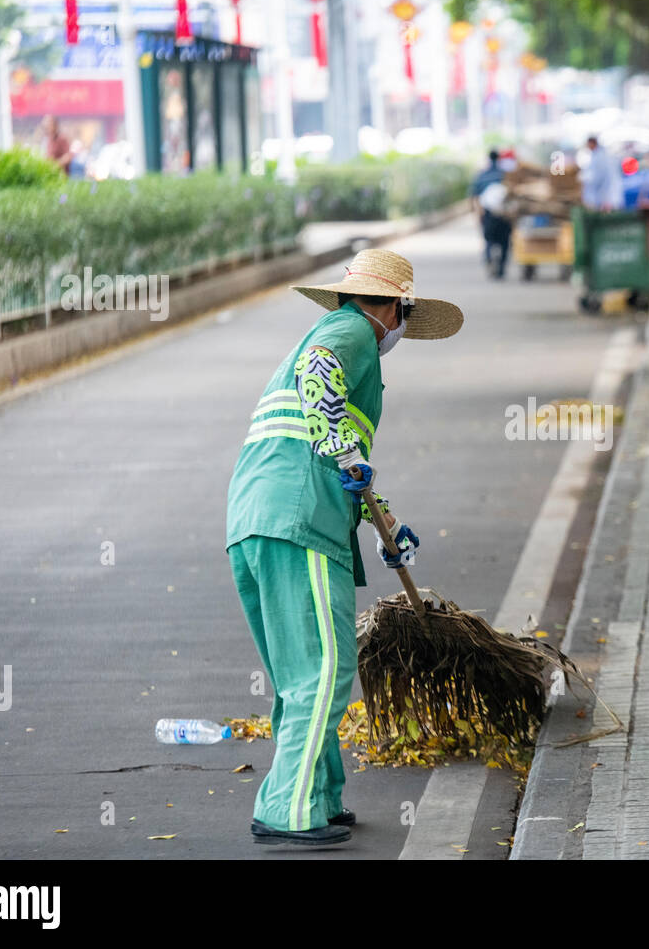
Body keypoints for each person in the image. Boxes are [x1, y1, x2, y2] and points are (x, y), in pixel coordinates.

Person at [226, 249, 463, 846]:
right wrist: (348, 453)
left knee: (298, 674)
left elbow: (335, 456)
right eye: (403, 315)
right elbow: (321, 386)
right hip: (299, 520)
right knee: (326, 669)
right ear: (394, 308)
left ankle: (320, 795)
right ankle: (287, 810)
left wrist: (384, 518)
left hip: (256, 518)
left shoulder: (332, 331)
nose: (400, 328)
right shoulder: (353, 329)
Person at [471, 149, 512, 278]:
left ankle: (489, 259)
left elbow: (474, 197)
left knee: (489, 240)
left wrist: (478, 214)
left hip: (487, 214)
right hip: (505, 214)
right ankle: (501, 269)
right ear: (499, 159)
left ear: (488, 159)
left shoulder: (481, 175)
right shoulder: (505, 174)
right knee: (505, 242)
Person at [580, 135, 623, 212]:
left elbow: (598, 177)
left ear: (592, 143)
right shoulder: (599, 155)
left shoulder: (601, 157)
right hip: (606, 195)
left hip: (605, 195)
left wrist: (585, 179)